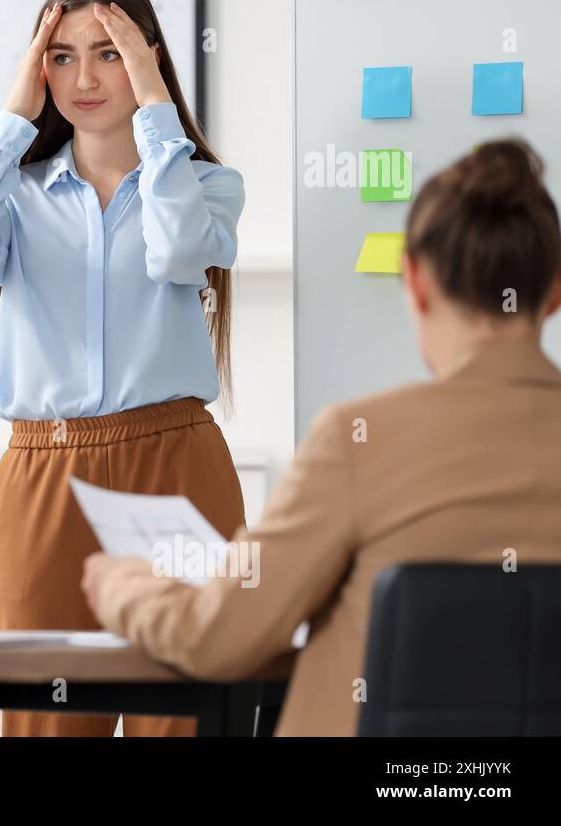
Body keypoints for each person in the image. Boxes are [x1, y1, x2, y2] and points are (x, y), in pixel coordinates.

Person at [83, 139, 561, 736]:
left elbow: (217, 638)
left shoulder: (360, 442)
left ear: (414, 281)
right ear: (556, 290)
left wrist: (123, 584)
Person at [0, 0, 245, 737]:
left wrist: (157, 110)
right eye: (60, 57)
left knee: (186, 716)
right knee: (47, 717)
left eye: (109, 53)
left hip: (175, 464)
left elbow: (176, 253)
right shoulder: (15, 194)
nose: (84, 78)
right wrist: (11, 119)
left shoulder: (207, 186)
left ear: (147, 59)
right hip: (44, 472)